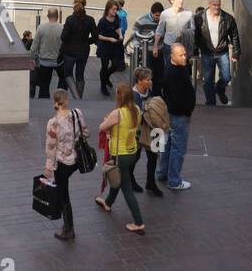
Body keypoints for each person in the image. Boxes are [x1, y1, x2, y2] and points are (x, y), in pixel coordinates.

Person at [95, 85, 145, 233]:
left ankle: (138, 222)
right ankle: (108, 202)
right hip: (132, 152)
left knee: (127, 188)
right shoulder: (136, 109)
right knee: (120, 177)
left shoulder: (117, 113)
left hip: (120, 154)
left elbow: (102, 127)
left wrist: (107, 119)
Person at [43, 87, 89, 242]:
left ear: (55, 102)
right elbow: (85, 133)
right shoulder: (77, 113)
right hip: (76, 160)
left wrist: (48, 169)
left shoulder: (53, 123)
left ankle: (68, 229)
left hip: (62, 163)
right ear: (66, 100)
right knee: (64, 191)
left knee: (64, 196)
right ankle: (68, 228)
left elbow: (51, 148)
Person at [158, 43, 196, 190]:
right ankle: (174, 180)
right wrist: (187, 110)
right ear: (172, 56)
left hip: (173, 113)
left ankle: (163, 172)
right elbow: (177, 96)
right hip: (179, 115)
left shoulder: (177, 68)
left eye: (185, 54)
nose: (184, 57)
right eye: (181, 55)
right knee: (178, 147)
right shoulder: (173, 73)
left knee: (168, 144)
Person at [195, 0, 240, 105]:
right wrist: (195, 52)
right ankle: (211, 102)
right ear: (209, 4)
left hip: (222, 52)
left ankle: (219, 89)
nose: (217, 7)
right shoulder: (199, 17)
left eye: (218, 5)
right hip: (206, 53)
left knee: (226, 76)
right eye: (214, 5)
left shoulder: (227, 18)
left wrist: (235, 53)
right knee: (208, 80)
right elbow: (195, 36)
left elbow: (234, 36)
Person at [131, 66, 166, 197]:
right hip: (139, 130)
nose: (150, 82)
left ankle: (150, 183)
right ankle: (131, 180)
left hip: (153, 129)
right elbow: (138, 114)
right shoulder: (133, 95)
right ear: (139, 81)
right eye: (147, 80)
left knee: (153, 157)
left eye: (150, 79)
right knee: (135, 157)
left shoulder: (148, 90)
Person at [60, 0, 97, 98]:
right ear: (85, 4)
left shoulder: (70, 19)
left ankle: (76, 96)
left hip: (69, 52)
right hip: (83, 51)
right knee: (80, 75)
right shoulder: (90, 20)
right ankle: (79, 98)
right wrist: (86, 42)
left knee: (68, 74)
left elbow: (63, 37)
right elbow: (95, 37)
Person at [152, 0, 194, 72]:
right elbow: (159, 30)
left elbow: (193, 30)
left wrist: (184, 33)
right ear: (171, 0)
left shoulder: (189, 14)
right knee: (169, 70)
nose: (181, 1)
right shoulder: (165, 14)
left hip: (183, 47)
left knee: (183, 71)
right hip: (169, 46)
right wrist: (155, 47)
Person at [30, 8, 67, 99]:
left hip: (44, 62)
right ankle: (60, 97)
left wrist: (32, 59)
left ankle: (44, 101)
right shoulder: (62, 28)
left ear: (47, 16)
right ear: (58, 16)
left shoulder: (41, 27)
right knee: (63, 78)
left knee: (44, 85)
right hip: (59, 61)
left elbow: (34, 47)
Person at [96, 0, 125, 95]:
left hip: (114, 46)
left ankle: (106, 77)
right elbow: (98, 35)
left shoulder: (116, 17)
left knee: (115, 65)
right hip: (104, 46)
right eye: (113, 9)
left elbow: (117, 27)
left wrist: (120, 34)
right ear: (108, 10)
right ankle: (103, 85)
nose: (115, 11)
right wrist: (109, 39)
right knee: (104, 66)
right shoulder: (102, 21)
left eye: (116, 9)